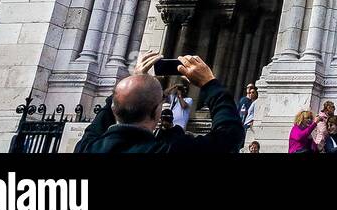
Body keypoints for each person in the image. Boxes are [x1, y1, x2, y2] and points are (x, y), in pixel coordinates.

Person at [75, 51, 243, 153]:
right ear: (157, 111)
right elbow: (230, 137)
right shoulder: (169, 150)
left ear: (114, 109)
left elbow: (103, 117)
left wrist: (135, 80)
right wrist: (209, 83)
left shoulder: (87, 148)